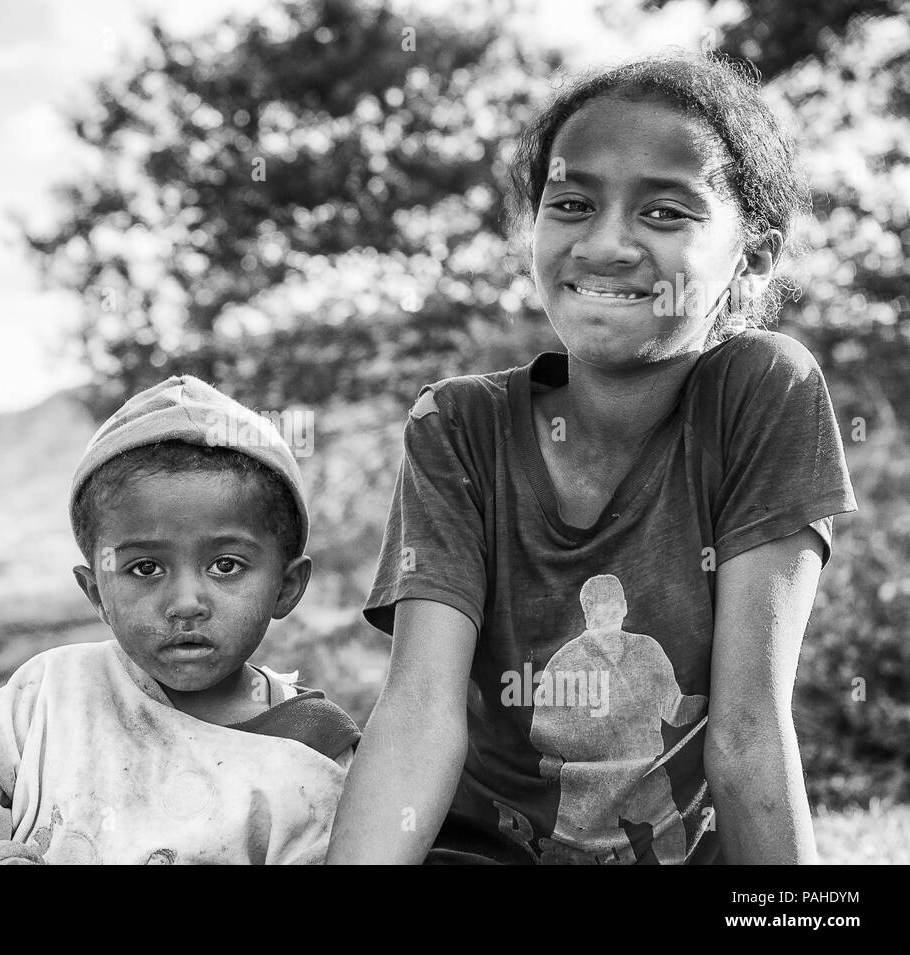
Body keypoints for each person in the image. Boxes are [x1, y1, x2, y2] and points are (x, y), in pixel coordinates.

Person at [327, 52, 858, 865]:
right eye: (571, 203)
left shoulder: (760, 393)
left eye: (666, 212)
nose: (606, 244)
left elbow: (747, 730)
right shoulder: (459, 424)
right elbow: (419, 714)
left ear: (752, 254)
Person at [0, 375, 359, 864]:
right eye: (145, 568)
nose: (186, 602)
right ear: (96, 592)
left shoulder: (315, 748)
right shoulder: (45, 699)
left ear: (287, 587)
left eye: (225, 565)